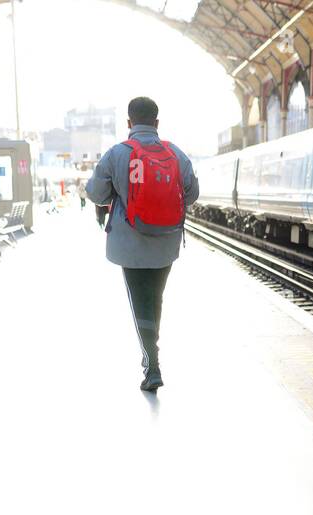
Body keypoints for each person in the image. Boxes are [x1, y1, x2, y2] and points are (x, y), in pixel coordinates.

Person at [86, 96, 199, 392]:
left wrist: (118, 190)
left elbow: (95, 194)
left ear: (129, 123)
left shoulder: (116, 154)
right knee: (155, 299)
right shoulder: (176, 153)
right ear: (157, 123)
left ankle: (152, 366)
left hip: (129, 244)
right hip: (166, 243)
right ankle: (153, 359)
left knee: (140, 304)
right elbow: (192, 193)